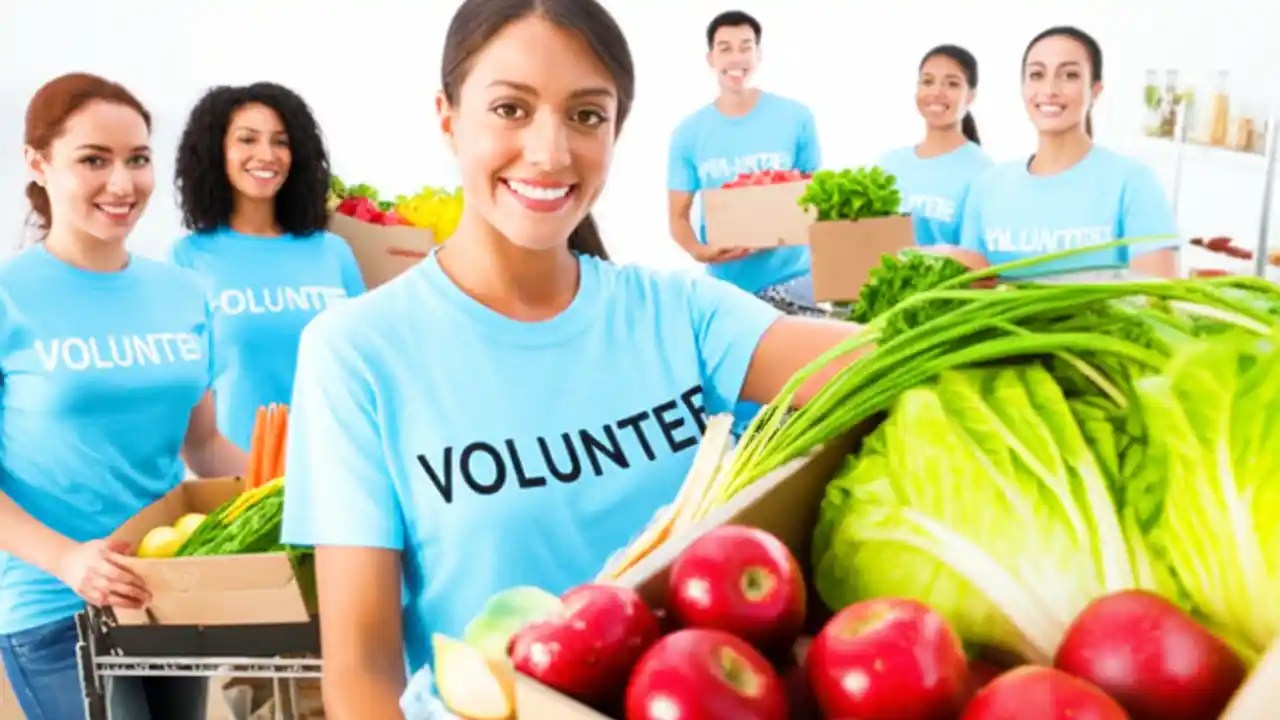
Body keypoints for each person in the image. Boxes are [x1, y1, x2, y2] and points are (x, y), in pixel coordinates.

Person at [276, 0, 859, 715]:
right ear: (448, 117)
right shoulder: (356, 354)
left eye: (586, 115)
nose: (550, 153)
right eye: (511, 109)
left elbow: (877, 366)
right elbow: (362, 672)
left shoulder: (682, 315)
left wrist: (951, 282)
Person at [0, 73, 246, 720]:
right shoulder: (9, 295)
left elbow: (205, 445)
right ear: (37, 163)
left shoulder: (181, 292)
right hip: (54, 606)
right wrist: (67, 560)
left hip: (170, 592)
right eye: (93, 160)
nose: (123, 183)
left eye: (137, 160)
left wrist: (294, 485)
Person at [171, 82, 366, 452]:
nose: (267, 154)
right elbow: (182, 395)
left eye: (281, 141)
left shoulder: (333, 252)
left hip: (338, 464)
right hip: (240, 483)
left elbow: (364, 363)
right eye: (247, 139)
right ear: (217, 152)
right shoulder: (187, 259)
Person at [954, 27, 1180, 279]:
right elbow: (968, 285)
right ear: (1023, 88)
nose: (1049, 89)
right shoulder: (987, 187)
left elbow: (1158, 297)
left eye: (1069, 75)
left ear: (1094, 91)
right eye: (1037, 74)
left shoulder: (1132, 182)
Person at [667, 10, 824, 317]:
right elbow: (678, 217)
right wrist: (701, 252)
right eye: (725, 48)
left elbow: (816, 197)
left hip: (797, 283)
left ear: (758, 54)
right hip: (727, 291)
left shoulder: (796, 118)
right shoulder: (688, 133)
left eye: (745, 47)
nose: (736, 58)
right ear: (711, 58)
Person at [878, 44, 993, 247]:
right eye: (928, 82)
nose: (937, 92)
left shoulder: (984, 173)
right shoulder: (889, 164)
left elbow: (979, 260)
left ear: (971, 96)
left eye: (952, 84)